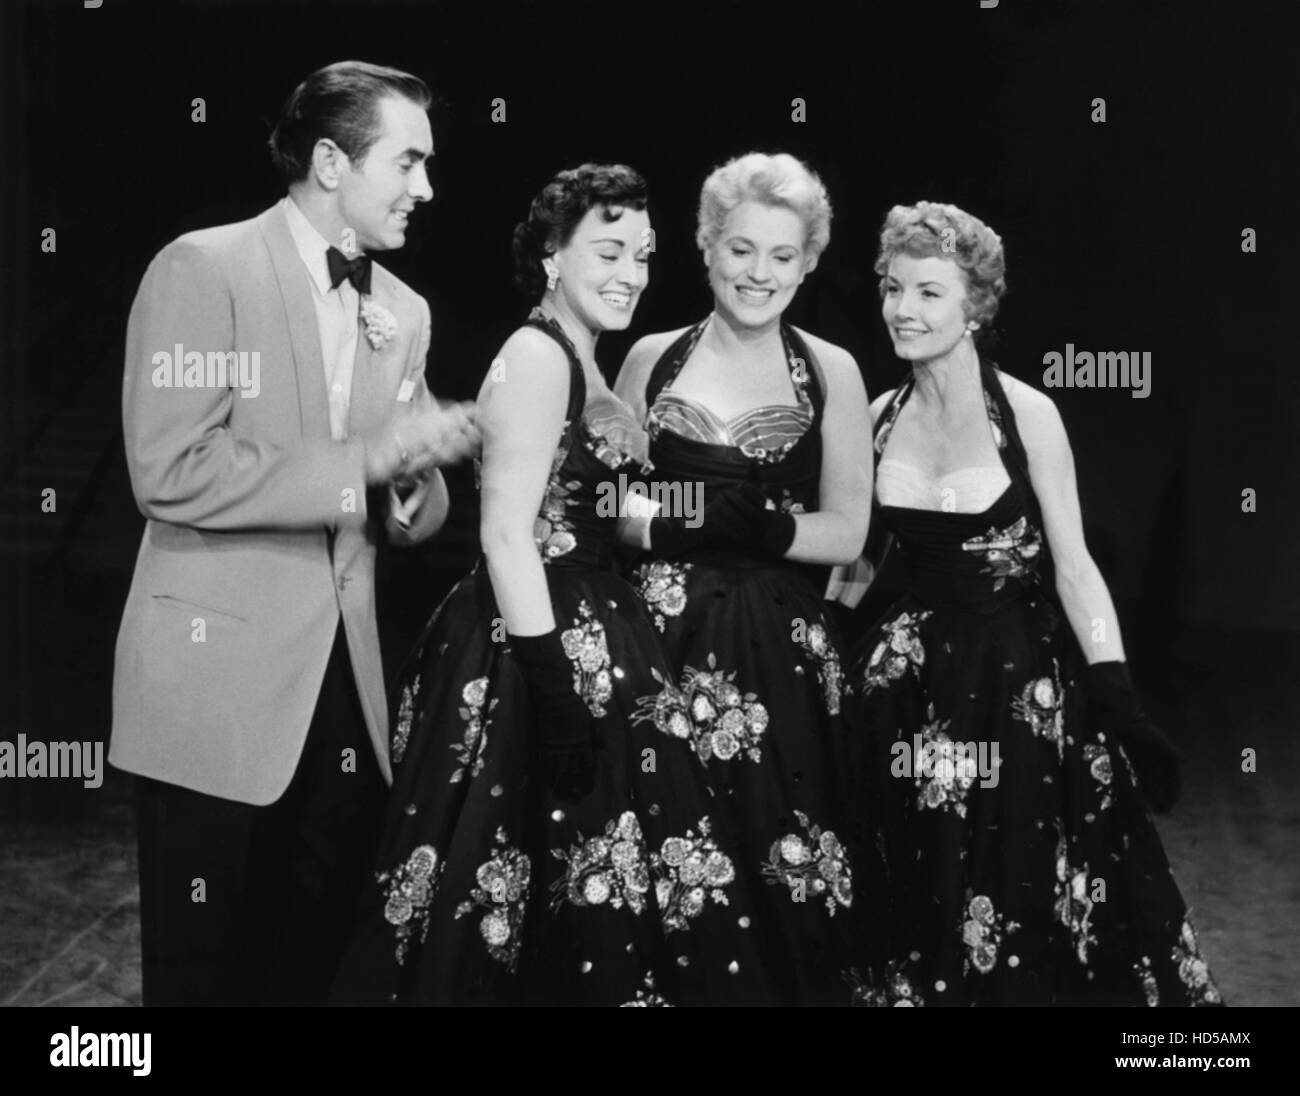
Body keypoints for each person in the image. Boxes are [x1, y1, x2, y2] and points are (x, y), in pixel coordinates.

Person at [332, 164, 772, 1007]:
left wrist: (712, 517)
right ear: (550, 257)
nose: (630, 275)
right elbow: (505, 533)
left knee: (581, 884)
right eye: (607, 251)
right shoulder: (537, 355)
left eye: (642, 256)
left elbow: (601, 509)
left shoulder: (585, 364)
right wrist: (554, 689)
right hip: (527, 646)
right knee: (510, 881)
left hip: (593, 626)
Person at [110, 61, 479, 1006]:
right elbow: (169, 470)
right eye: (409, 161)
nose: (426, 188)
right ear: (328, 160)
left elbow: (403, 508)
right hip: (218, 696)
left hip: (344, 699)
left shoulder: (406, 310)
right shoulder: (203, 267)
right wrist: (364, 460)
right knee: (204, 976)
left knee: (309, 974)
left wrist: (414, 479)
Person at [844, 200, 1221, 1006]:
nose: (902, 309)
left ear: (975, 305)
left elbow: (1075, 569)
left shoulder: (1027, 414)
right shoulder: (876, 420)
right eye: (891, 288)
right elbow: (858, 564)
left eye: (929, 293)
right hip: (908, 690)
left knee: (1024, 883)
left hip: (1018, 688)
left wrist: (1120, 696)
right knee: (923, 876)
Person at [613, 152, 884, 1005]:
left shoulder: (832, 368)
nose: (757, 273)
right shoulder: (650, 358)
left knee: (779, 859)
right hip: (654, 639)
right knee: (661, 861)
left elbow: (849, 529)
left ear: (808, 262)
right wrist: (678, 520)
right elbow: (607, 507)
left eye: (780, 255)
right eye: (740, 249)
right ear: (704, 246)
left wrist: (764, 529)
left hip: (781, 657)